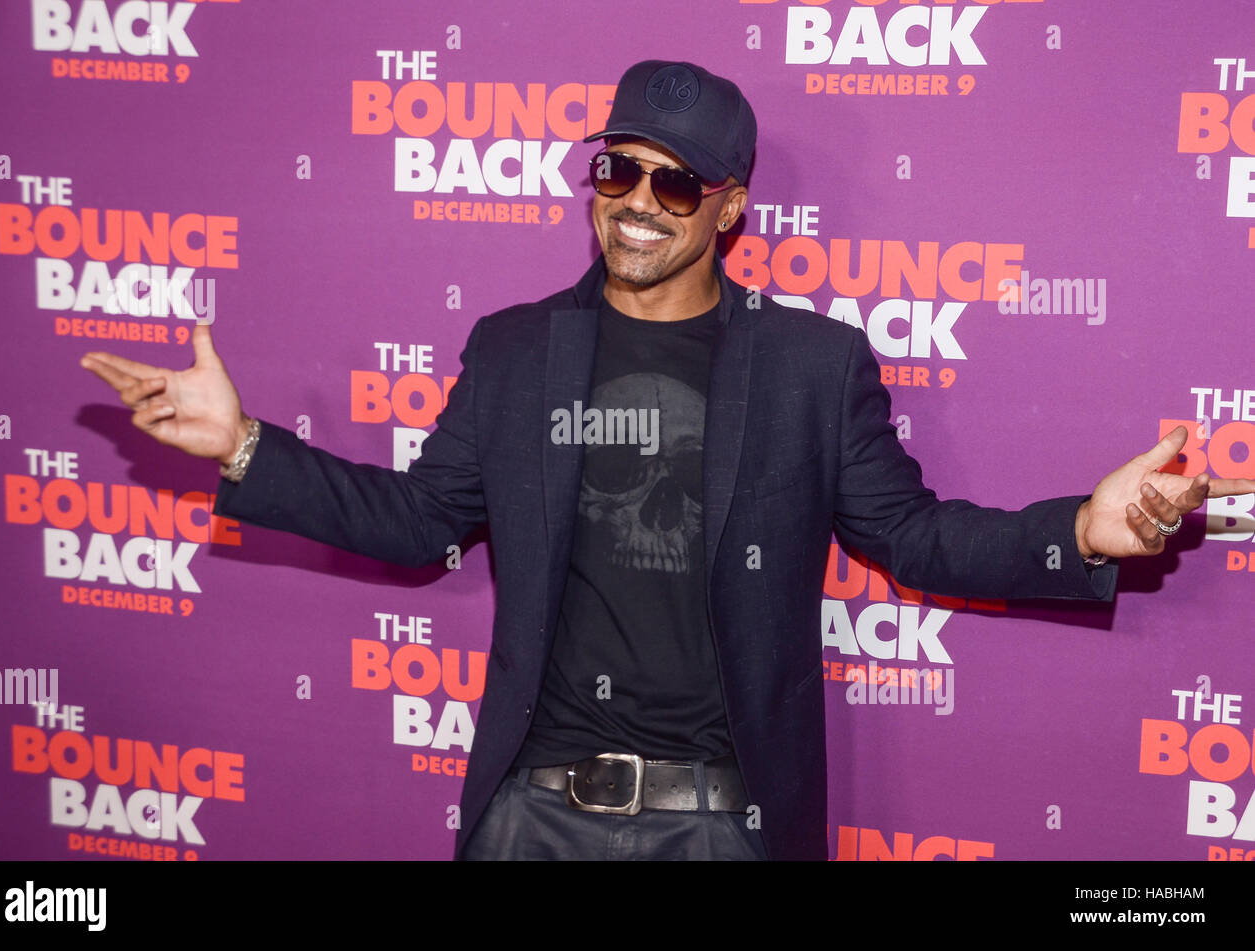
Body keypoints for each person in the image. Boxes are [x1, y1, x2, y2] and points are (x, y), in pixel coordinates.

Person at [81, 60, 1254, 860]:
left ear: (729, 205)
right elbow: (421, 521)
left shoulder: (809, 364)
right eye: (615, 169)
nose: (636, 203)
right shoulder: (516, 348)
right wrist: (239, 447)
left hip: (718, 825)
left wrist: (1082, 531)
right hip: (529, 817)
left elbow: (908, 535)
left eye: (673, 181)